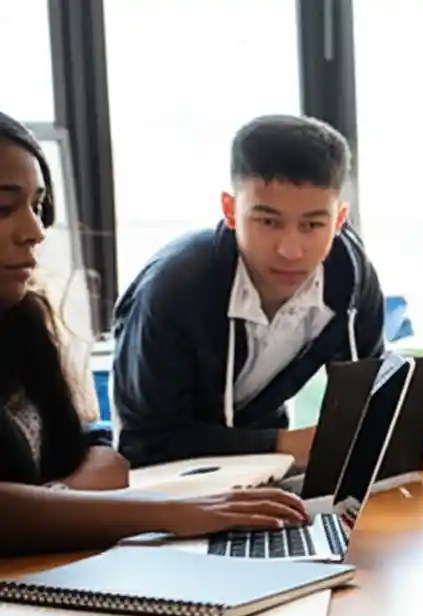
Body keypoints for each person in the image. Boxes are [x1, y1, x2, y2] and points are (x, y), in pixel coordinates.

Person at [0, 111, 306, 556]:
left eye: (38, 205)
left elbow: (101, 454)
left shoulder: (20, 321)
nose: (34, 231)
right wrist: (169, 511)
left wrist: (53, 505)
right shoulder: (179, 281)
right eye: (3, 208)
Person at [113, 115, 385, 470]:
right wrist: (286, 444)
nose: (291, 249)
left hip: (266, 474)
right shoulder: (174, 289)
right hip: (171, 488)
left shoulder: (351, 277)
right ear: (230, 210)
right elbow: (143, 442)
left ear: (339, 219)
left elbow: (374, 396)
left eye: (313, 225)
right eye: (268, 221)